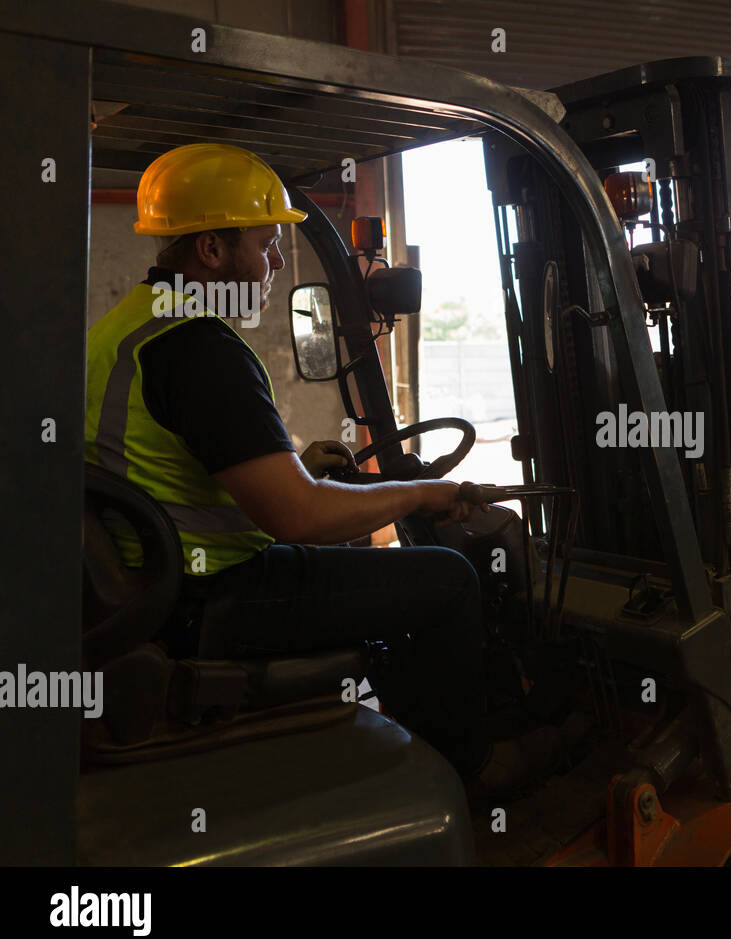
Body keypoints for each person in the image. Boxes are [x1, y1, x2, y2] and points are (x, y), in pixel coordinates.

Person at [84, 143, 492, 776]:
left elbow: (170, 463)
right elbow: (298, 518)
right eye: (266, 244)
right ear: (211, 251)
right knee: (448, 578)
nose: (277, 262)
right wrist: (420, 494)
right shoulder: (199, 349)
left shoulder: (127, 329)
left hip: (152, 587)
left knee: (365, 567)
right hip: (209, 596)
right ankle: (473, 782)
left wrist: (296, 462)